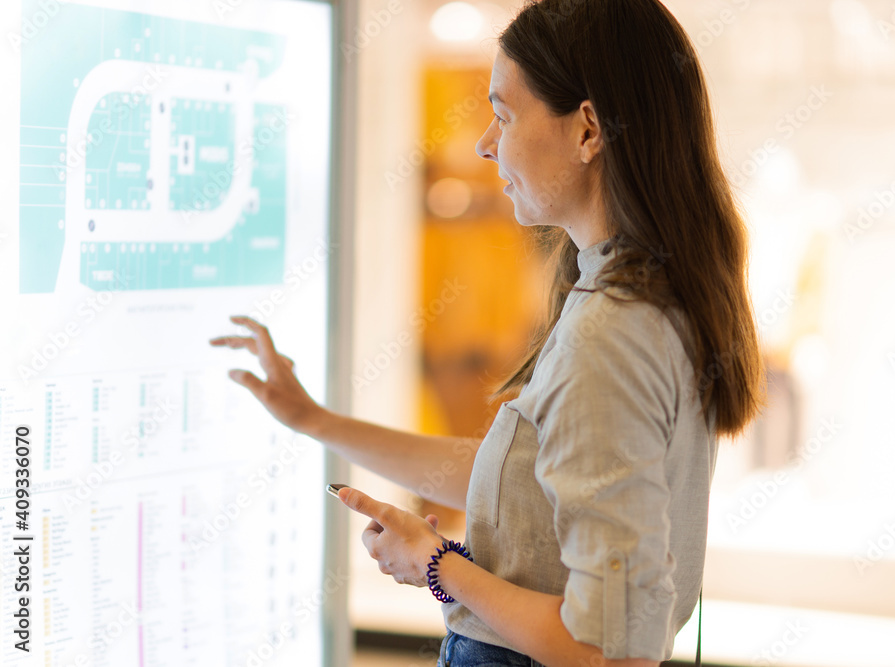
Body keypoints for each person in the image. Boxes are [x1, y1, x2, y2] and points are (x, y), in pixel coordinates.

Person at [209, 0, 765, 664]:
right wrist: (314, 419)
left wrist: (439, 565)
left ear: (589, 131)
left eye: (503, 114)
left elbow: (611, 652)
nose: (484, 142)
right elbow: (523, 484)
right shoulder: (646, 300)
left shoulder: (611, 336)